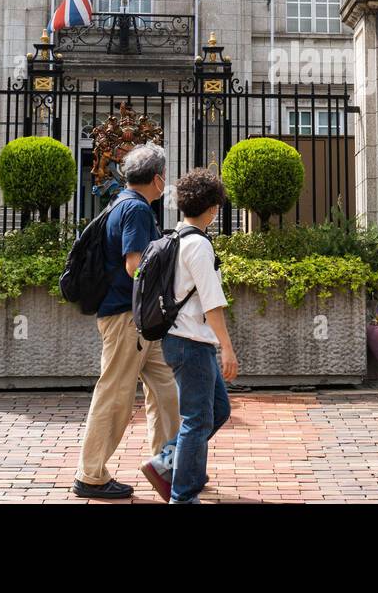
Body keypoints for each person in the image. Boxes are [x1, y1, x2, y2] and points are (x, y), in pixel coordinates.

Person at [73, 143, 179, 501]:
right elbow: (135, 265)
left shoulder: (121, 203)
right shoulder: (135, 209)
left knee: (166, 393)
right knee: (115, 395)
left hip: (137, 321)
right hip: (126, 318)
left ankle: (168, 467)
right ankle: (91, 474)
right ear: (158, 178)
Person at [139, 168, 238, 504]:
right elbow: (212, 303)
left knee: (218, 410)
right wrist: (227, 348)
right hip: (192, 344)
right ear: (211, 208)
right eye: (217, 207)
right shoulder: (198, 246)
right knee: (197, 419)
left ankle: (166, 462)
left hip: (182, 342)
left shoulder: (177, 238)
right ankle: (183, 495)